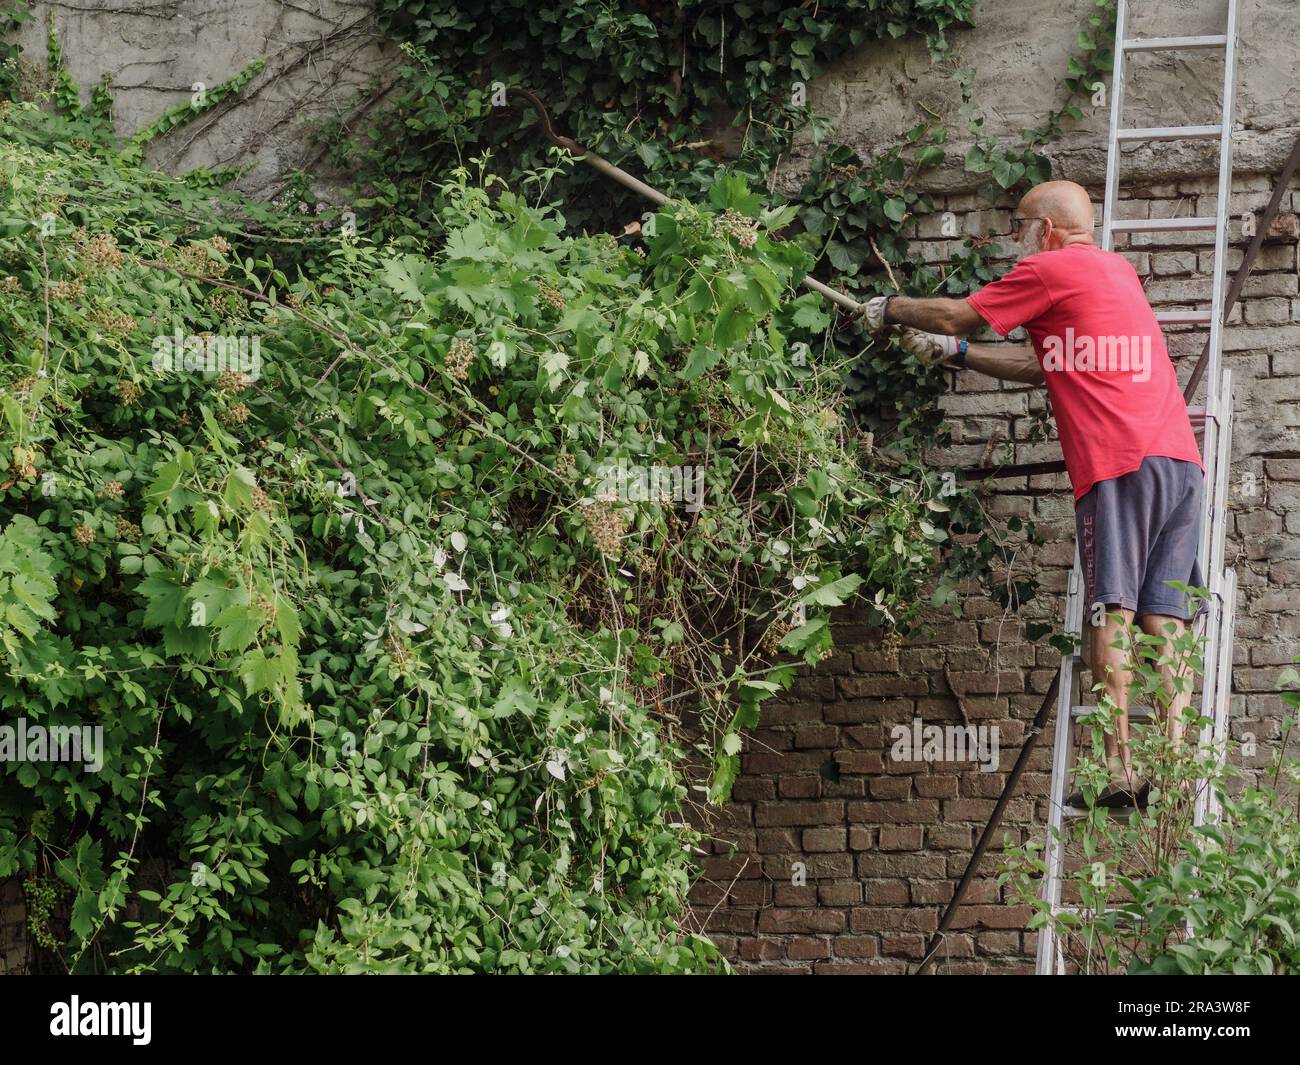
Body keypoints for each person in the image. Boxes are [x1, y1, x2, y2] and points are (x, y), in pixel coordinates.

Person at [861, 180, 1205, 804]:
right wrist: (957, 354)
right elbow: (1044, 363)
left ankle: (1118, 770)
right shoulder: (1117, 273)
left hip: (1117, 464)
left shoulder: (1049, 268)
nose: (1015, 241)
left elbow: (955, 311)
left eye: (1019, 228)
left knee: (1112, 608)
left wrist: (891, 308)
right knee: (1166, 614)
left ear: (1045, 230)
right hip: (1178, 460)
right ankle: (1179, 764)